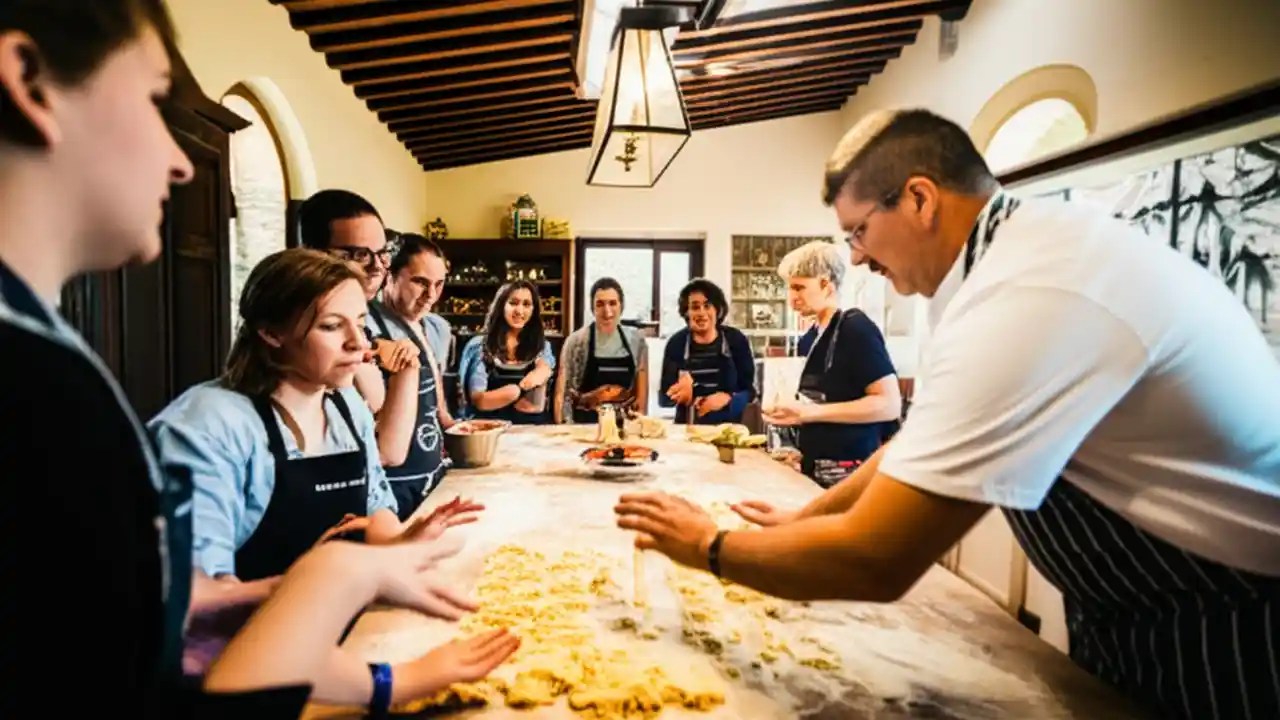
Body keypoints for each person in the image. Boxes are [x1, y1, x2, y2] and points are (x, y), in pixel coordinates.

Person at [616, 108, 1280, 720]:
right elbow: (919, 441)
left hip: (1233, 627)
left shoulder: (1032, 294)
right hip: (1132, 614)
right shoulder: (994, 271)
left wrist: (710, 547)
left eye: (858, 233)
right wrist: (804, 516)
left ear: (920, 198)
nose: (855, 259)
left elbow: (877, 559)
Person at [0, 2, 516, 716]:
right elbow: (191, 647)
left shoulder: (58, 366)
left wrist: (385, 670)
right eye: (153, 100)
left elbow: (166, 647)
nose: (182, 159)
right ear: (27, 79)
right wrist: (339, 575)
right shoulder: (52, 390)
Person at [151, 248, 452, 582]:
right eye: (332, 326)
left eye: (362, 323)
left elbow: (374, 509)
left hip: (346, 626)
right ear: (272, 331)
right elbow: (195, 596)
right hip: (251, 632)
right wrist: (333, 583)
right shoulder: (210, 425)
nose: (357, 343)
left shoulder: (347, 406)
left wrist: (404, 542)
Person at [298, 189, 420, 467]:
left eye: (382, 253)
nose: (378, 267)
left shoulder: (368, 331)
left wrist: (406, 367)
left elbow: (387, 445)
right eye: (359, 254)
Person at [762, 241, 901, 486]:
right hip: (813, 466)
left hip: (850, 472)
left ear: (826, 284)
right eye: (790, 289)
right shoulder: (810, 338)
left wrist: (808, 413)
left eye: (799, 288)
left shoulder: (855, 328)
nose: (792, 299)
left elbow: (888, 404)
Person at [368, 233, 456, 518]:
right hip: (388, 481)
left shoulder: (439, 328)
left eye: (439, 284)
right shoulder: (366, 325)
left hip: (431, 473)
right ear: (389, 275)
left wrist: (454, 428)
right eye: (420, 282)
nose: (431, 295)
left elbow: (436, 397)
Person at [658, 278, 754, 424]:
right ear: (686, 313)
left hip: (728, 430)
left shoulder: (736, 340)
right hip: (687, 429)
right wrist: (681, 395)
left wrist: (728, 398)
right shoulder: (676, 343)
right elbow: (664, 399)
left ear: (717, 310)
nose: (702, 313)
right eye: (695, 307)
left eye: (707, 306)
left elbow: (750, 392)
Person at [460, 279, 556, 424]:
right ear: (501, 306)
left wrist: (541, 371)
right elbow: (479, 400)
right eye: (513, 303)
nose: (519, 310)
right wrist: (514, 392)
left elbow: (545, 368)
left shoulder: (542, 346)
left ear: (534, 310)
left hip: (531, 430)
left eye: (526, 304)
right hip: (488, 429)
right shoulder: (479, 346)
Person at [554, 277, 649, 423]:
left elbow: (641, 398)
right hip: (584, 428)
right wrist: (565, 430)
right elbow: (562, 395)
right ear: (592, 308)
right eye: (600, 304)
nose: (607, 311)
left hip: (623, 427)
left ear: (621, 306)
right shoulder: (576, 342)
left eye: (613, 303)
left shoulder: (637, 341)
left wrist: (638, 429)